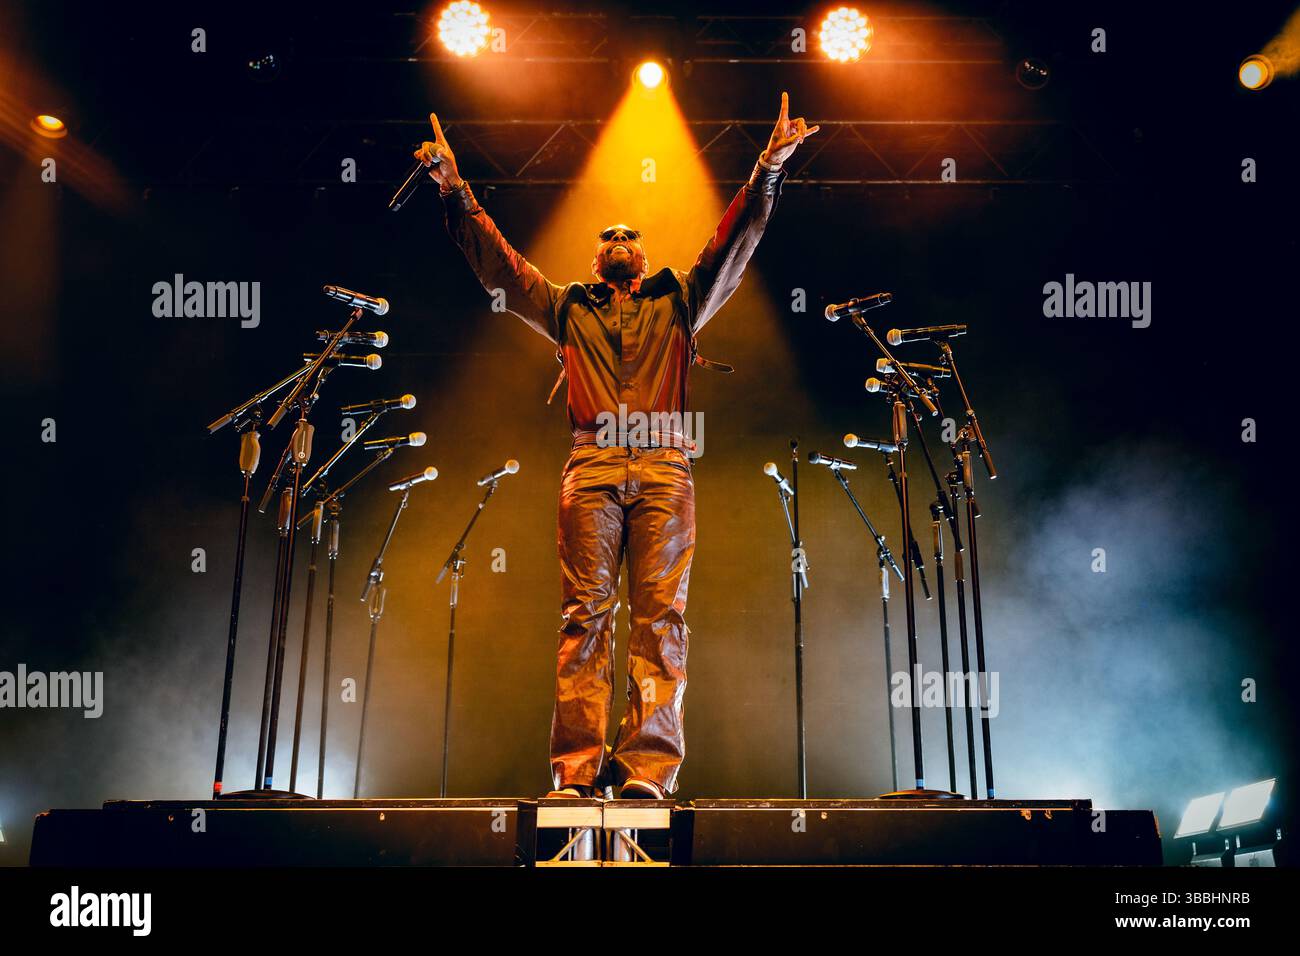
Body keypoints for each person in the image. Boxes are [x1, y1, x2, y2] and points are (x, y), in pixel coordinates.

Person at [417, 93, 818, 800]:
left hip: (664, 463)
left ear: (644, 254)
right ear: (596, 257)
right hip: (593, 463)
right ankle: (575, 773)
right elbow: (502, 269)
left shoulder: (680, 299)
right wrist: (455, 190)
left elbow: (734, 244)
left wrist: (768, 169)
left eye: (630, 233)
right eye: (607, 234)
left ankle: (647, 773)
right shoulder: (568, 306)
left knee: (661, 620)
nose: (619, 236)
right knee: (584, 618)